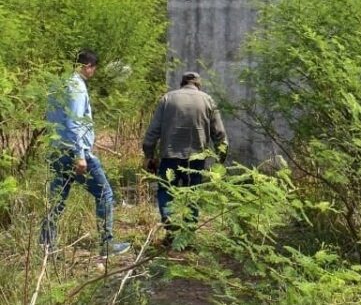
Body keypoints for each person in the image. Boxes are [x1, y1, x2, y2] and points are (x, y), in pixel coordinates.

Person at [40, 49, 131, 257]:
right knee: (105, 193)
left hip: (57, 150)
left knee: (57, 198)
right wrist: (80, 154)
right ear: (87, 66)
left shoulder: (57, 84)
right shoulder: (77, 86)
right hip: (74, 152)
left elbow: (50, 118)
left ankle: (45, 246)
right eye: (93, 68)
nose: (93, 72)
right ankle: (107, 244)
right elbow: (74, 122)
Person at [142, 71, 228, 243]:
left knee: (166, 190)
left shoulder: (167, 99)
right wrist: (221, 158)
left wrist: (149, 155)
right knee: (192, 193)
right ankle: (187, 236)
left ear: (182, 84)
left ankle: (170, 227)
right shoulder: (208, 100)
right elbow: (219, 133)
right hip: (196, 157)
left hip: (170, 156)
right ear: (198, 84)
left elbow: (153, 131)